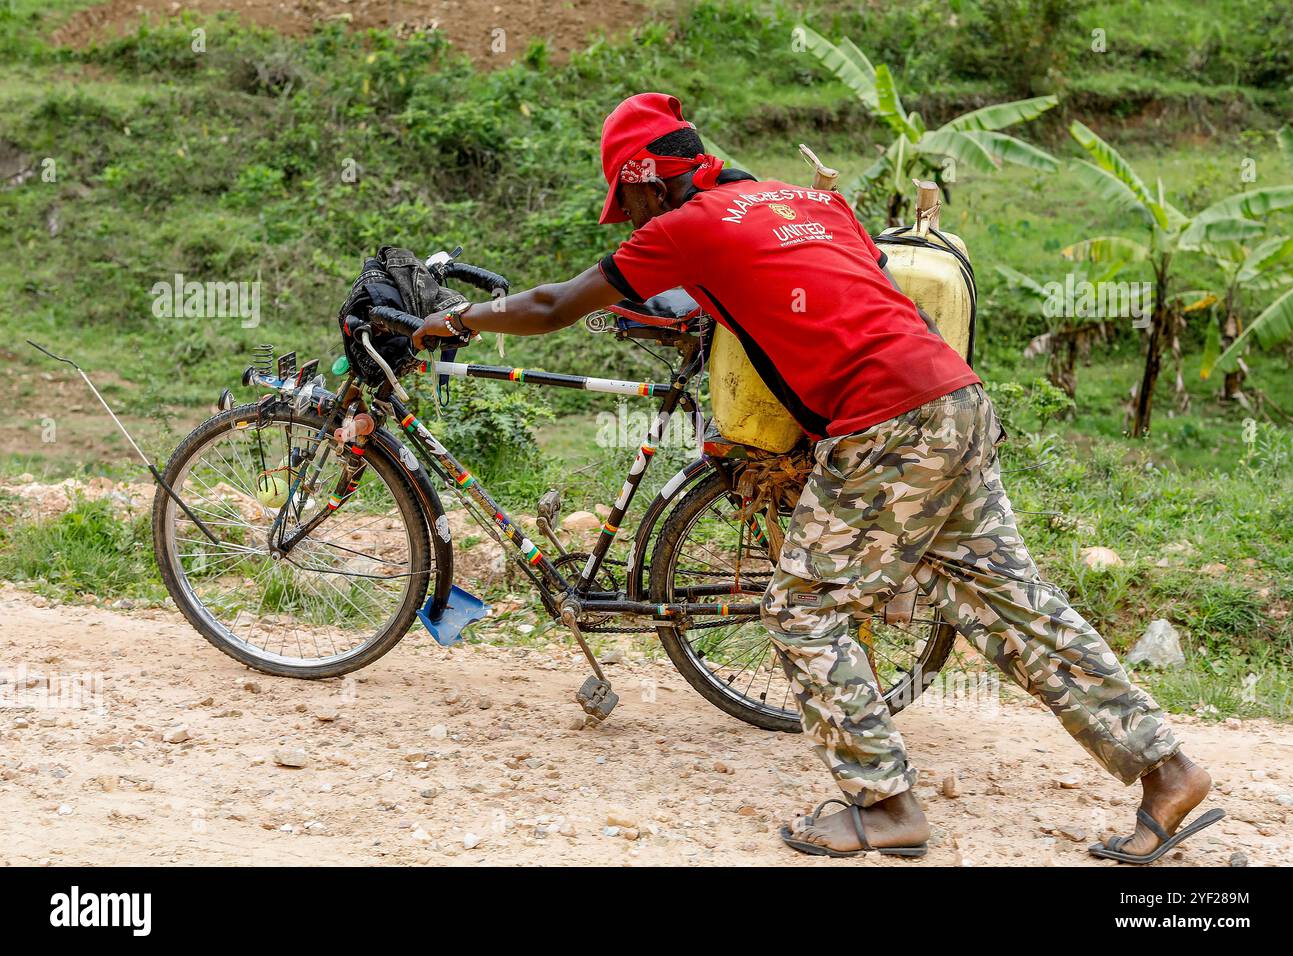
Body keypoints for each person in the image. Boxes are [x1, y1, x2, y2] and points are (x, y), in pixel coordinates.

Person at [408, 92, 1221, 863]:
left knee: (801, 610)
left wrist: (459, 318)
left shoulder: (686, 226)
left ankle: (885, 808)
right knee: (1011, 602)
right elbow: (841, 291)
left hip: (886, 424)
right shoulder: (809, 201)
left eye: (633, 208)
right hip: (956, 401)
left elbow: (554, 306)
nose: (637, 225)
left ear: (647, 182)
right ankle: (1169, 772)